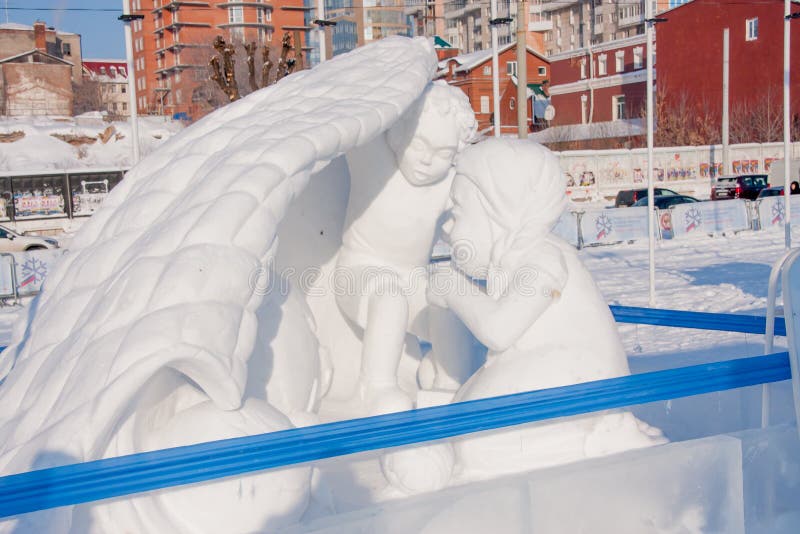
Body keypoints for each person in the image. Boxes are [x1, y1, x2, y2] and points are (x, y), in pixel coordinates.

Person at [428, 138, 664, 476]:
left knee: (476, 441)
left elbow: (499, 329)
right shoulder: (516, 258)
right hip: (550, 366)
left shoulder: (544, 257)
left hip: (582, 375)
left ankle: (593, 442)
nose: (448, 228)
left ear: (502, 213)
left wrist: (453, 288)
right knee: (462, 419)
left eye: (459, 212)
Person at [335, 82, 478, 414]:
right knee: (390, 299)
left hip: (412, 278)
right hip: (359, 272)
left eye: (443, 153)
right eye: (419, 145)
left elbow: (468, 229)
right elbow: (353, 111)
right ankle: (376, 387)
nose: (427, 160)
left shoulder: (448, 186)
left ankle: (450, 381)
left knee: (446, 303)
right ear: (399, 136)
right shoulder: (375, 163)